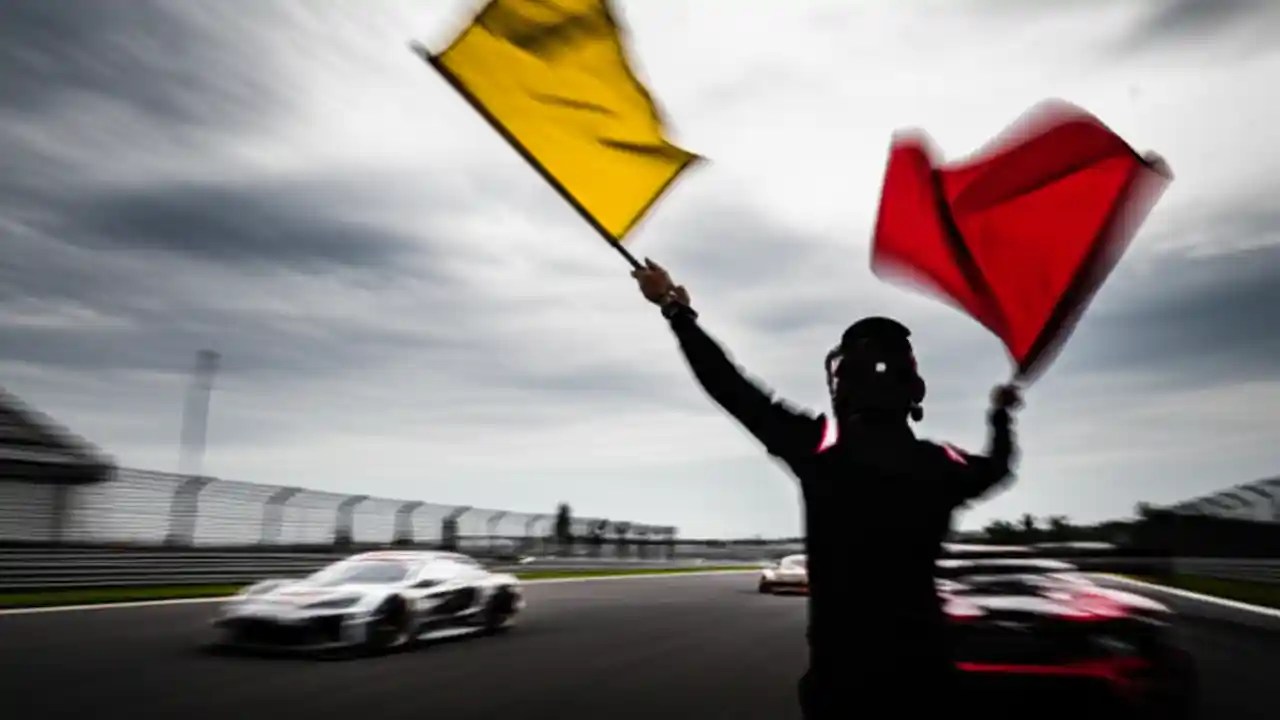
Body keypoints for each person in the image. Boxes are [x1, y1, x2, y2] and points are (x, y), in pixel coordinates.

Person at [631, 258, 1023, 717]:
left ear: (842, 385)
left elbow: (731, 387)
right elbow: (998, 466)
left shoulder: (821, 448)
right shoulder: (942, 465)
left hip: (844, 679)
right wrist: (1001, 416)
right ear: (912, 392)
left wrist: (676, 311)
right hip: (925, 671)